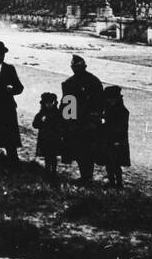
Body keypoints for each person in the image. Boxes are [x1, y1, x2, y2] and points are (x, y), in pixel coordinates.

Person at [60, 54, 104, 184]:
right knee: (78, 150)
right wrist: (66, 122)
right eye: (74, 67)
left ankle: (88, 175)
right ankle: (84, 175)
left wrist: (95, 119)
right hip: (75, 122)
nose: (76, 69)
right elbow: (67, 103)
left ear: (85, 66)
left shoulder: (93, 82)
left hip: (89, 122)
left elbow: (99, 103)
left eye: (79, 66)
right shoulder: (69, 83)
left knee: (89, 150)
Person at [100, 85, 131, 189]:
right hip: (108, 139)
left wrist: (117, 140)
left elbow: (121, 128)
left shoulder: (122, 111)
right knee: (108, 162)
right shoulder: (110, 109)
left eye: (112, 98)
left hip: (117, 140)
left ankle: (119, 183)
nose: (110, 101)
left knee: (116, 163)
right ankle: (112, 181)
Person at [33, 92, 63, 185]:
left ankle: (53, 172)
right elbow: (35, 125)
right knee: (47, 156)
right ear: (44, 103)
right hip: (45, 138)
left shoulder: (57, 113)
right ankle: (47, 171)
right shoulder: (41, 113)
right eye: (47, 103)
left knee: (53, 157)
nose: (49, 105)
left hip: (54, 138)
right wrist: (41, 121)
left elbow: (61, 125)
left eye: (51, 103)